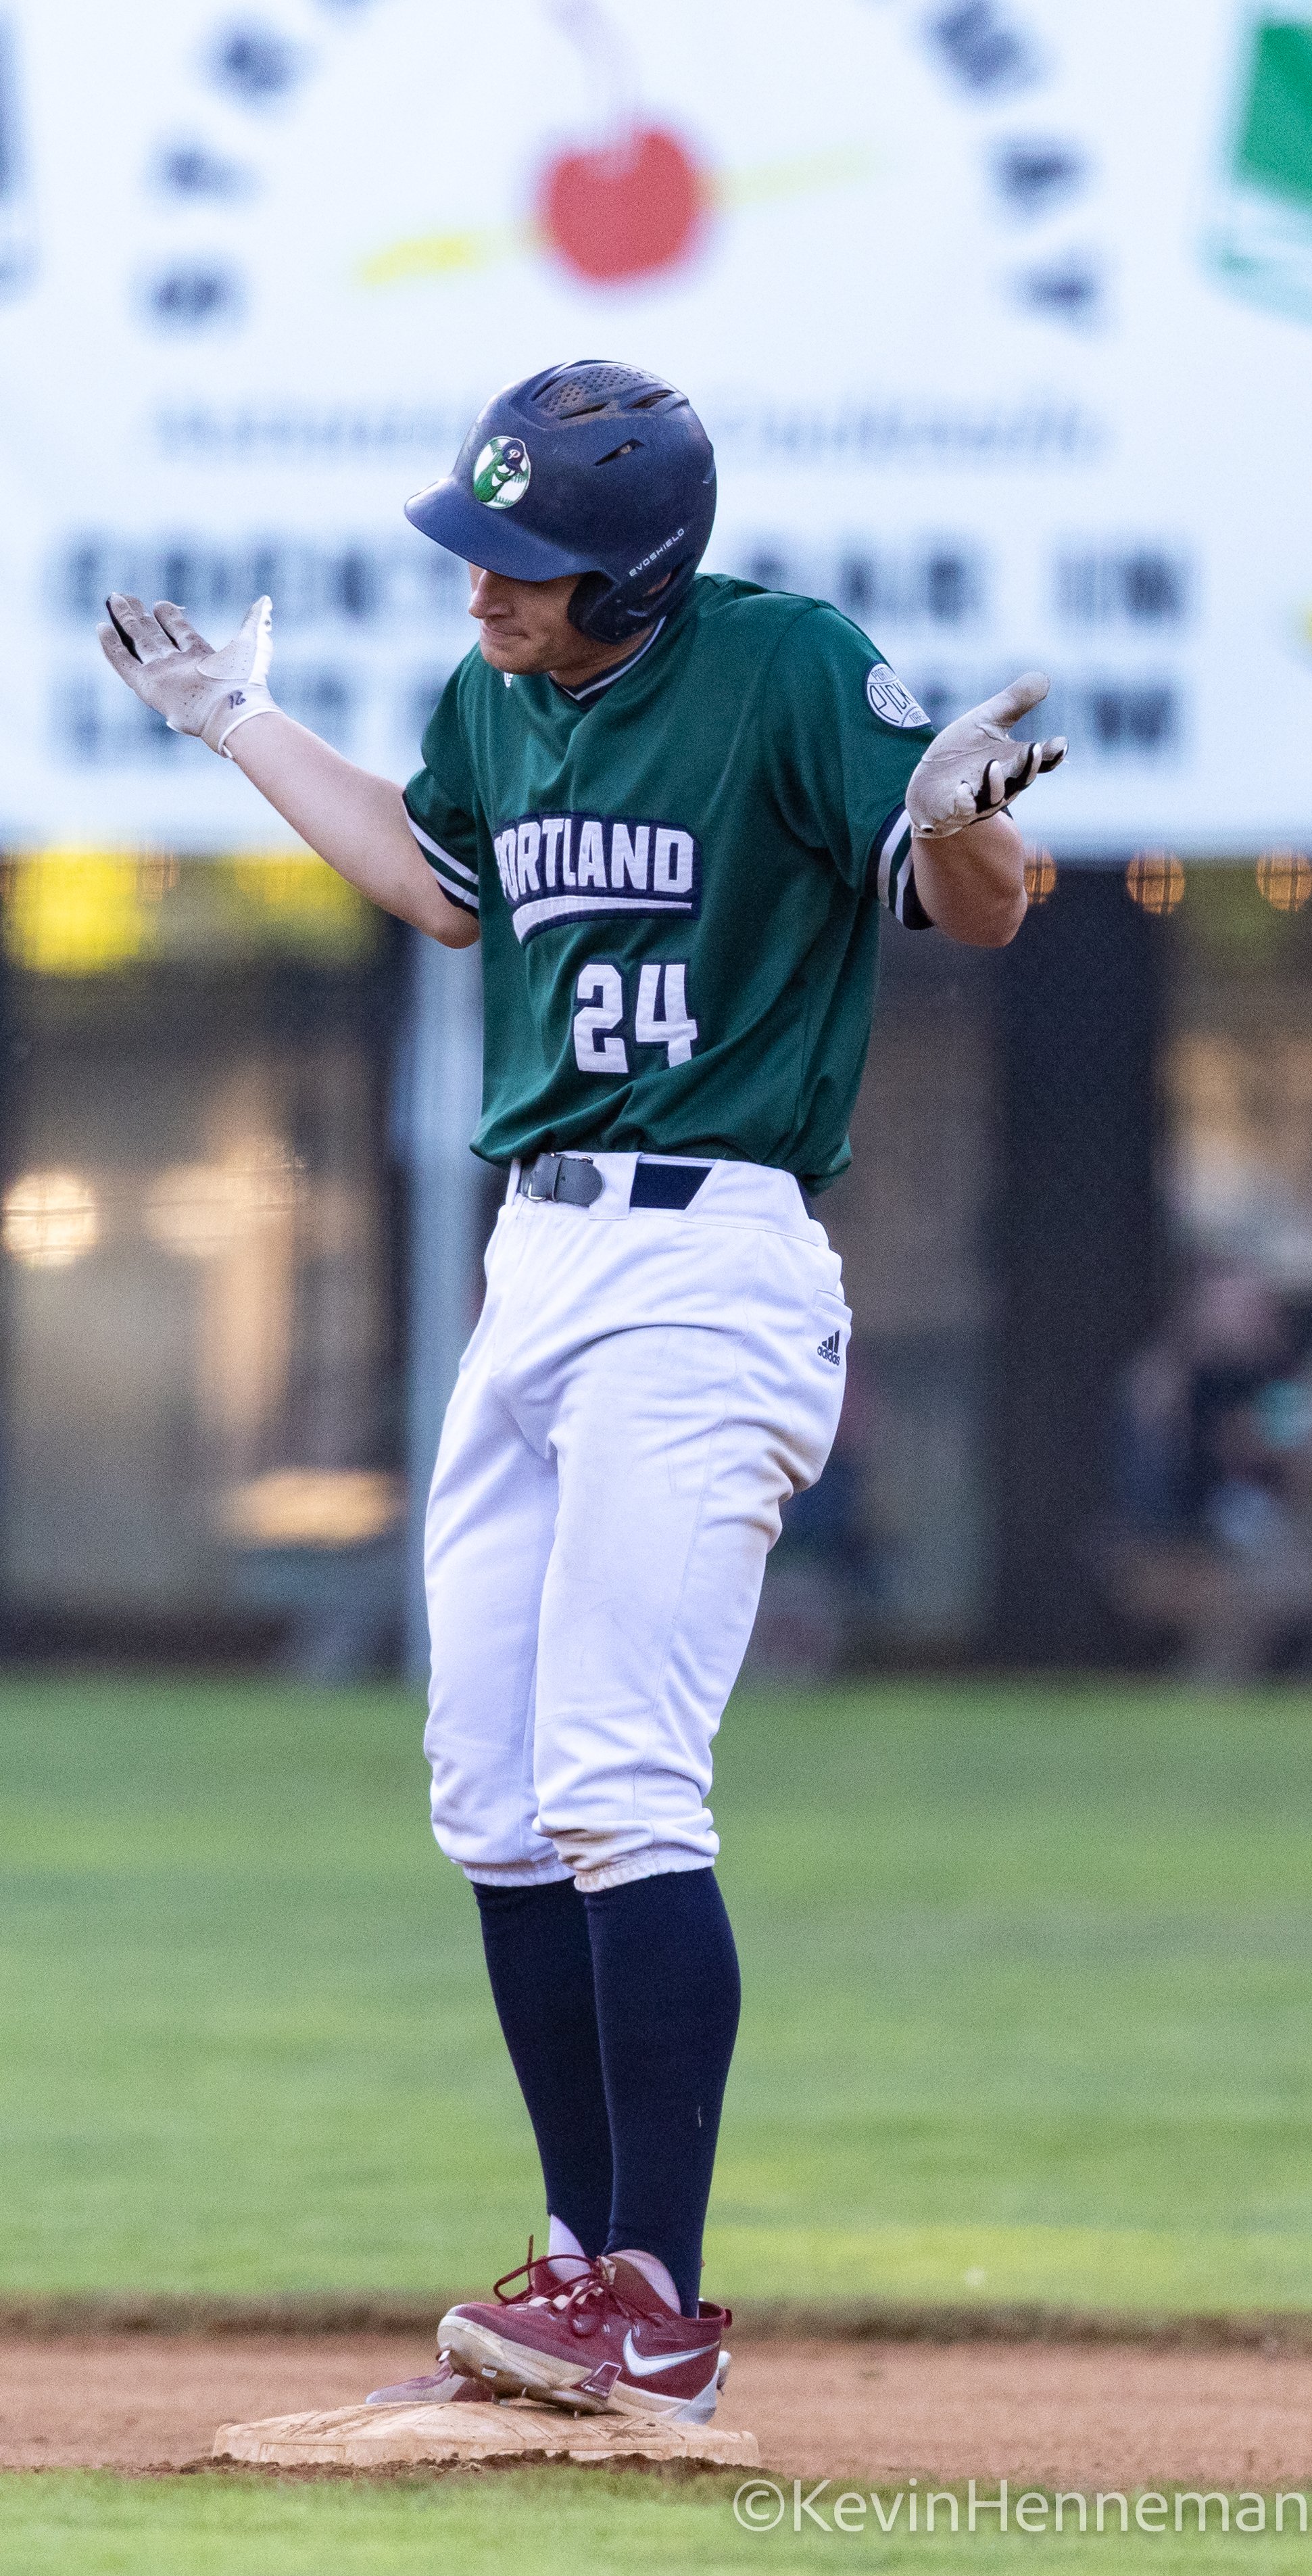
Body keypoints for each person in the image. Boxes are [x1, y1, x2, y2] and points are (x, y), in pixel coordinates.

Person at [99, 359, 1065, 2425]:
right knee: (487, 1786)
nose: (486, 590)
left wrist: (968, 822)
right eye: (480, 549)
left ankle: (660, 2297)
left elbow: (970, 899)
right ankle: (578, 2260)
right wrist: (236, 723)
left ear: (636, 575)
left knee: (621, 1775)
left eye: (525, 565)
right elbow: (441, 887)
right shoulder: (494, 701)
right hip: (533, 1257)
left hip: (709, 1260)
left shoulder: (787, 668)